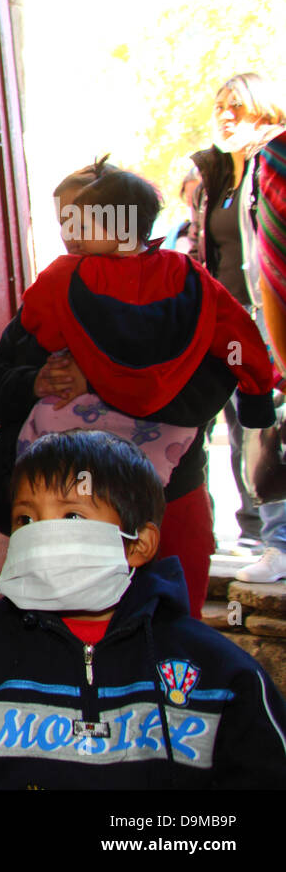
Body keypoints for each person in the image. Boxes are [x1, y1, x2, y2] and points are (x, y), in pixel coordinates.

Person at [0, 430, 286, 789]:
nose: (41, 537)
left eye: (72, 516)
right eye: (26, 520)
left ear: (139, 544)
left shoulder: (218, 673)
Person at [0, 157, 275, 617]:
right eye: (63, 222)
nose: (69, 235)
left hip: (168, 499)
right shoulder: (185, 281)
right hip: (74, 500)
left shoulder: (65, 283)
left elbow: (217, 375)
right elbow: (0, 387)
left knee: (172, 624)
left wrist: (98, 378)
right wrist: (38, 380)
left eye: (79, 221)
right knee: (73, 627)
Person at [190, 73, 286, 582]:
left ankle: (278, 543)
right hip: (224, 324)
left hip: (268, 320)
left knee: (270, 429)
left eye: (237, 106)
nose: (226, 116)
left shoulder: (276, 163)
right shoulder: (215, 175)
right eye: (220, 106)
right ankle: (249, 537)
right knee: (231, 428)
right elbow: (202, 252)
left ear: (265, 110)